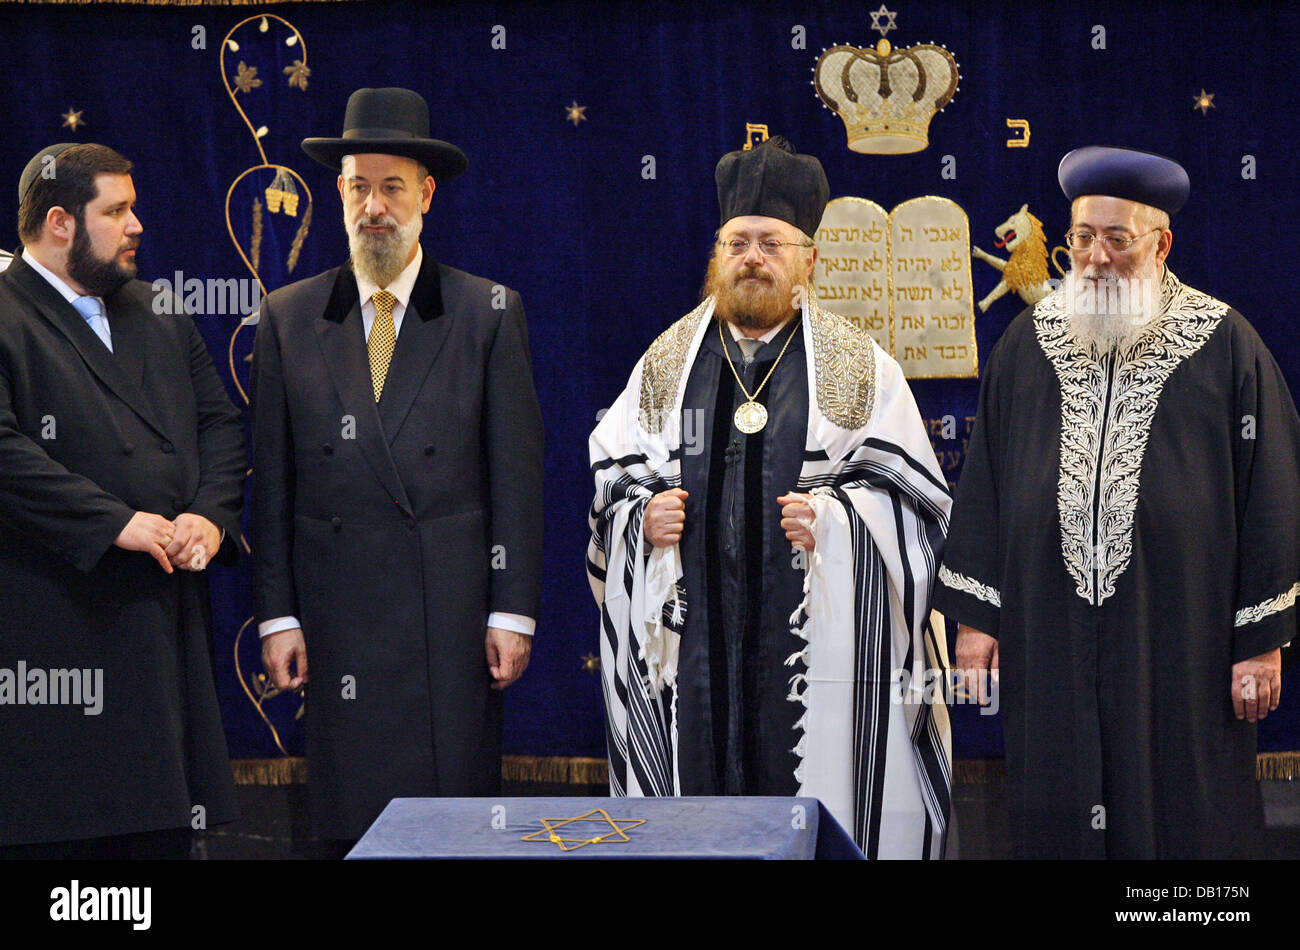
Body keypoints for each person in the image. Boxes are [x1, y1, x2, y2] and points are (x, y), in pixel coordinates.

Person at [587, 137, 953, 858]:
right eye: (738, 243)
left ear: (809, 260)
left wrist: (839, 521)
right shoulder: (665, 363)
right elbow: (611, 480)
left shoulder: (862, 369)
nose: (752, 258)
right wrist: (641, 516)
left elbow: (920, 508)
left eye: (771, 244)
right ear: (718, 255)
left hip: (817, 659)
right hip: (693, 653)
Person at [935, 145, 1300, 859]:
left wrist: (1260, 643)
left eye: (1117, 239)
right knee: (1058, 797)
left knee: (1183, 808)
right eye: (1081, 238)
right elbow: (986, 485)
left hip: (1185, 634)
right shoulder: (1027, 342)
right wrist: (977, 618)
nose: (1096, 258)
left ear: (1161, 245)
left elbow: (1275, 494)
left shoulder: (1225, 341)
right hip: (1048, 626)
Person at [252, 87, 544, 851]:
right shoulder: (289, 317)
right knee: (351, 819)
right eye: (358, 187)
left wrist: (512, 611)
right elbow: (272, 485)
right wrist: (278, 615)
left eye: (391, 187)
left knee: (449, 825)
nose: (373, 207)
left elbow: (518, 477)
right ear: (339, 195)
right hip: (337, 622)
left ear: (426, 195)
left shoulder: (487, 313)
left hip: (449, 620)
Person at [0, 143, 245, 858]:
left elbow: (220, 424)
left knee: (159, 833)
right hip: (55, 629)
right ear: (60, 222)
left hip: (162, 625)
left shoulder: (156, 308)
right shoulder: (8, 314)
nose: (137, 225)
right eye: (117, 211)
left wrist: (209, 515)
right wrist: (115, 523)